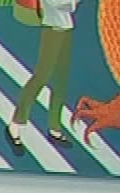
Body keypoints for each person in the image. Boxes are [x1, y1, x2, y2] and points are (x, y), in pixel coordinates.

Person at [8, 0, 81, 151]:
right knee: (41, 77)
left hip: (66, 30)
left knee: (61, 80)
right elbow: (64, 5)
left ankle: (55, 127)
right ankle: (16, 123)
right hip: (52, 31)